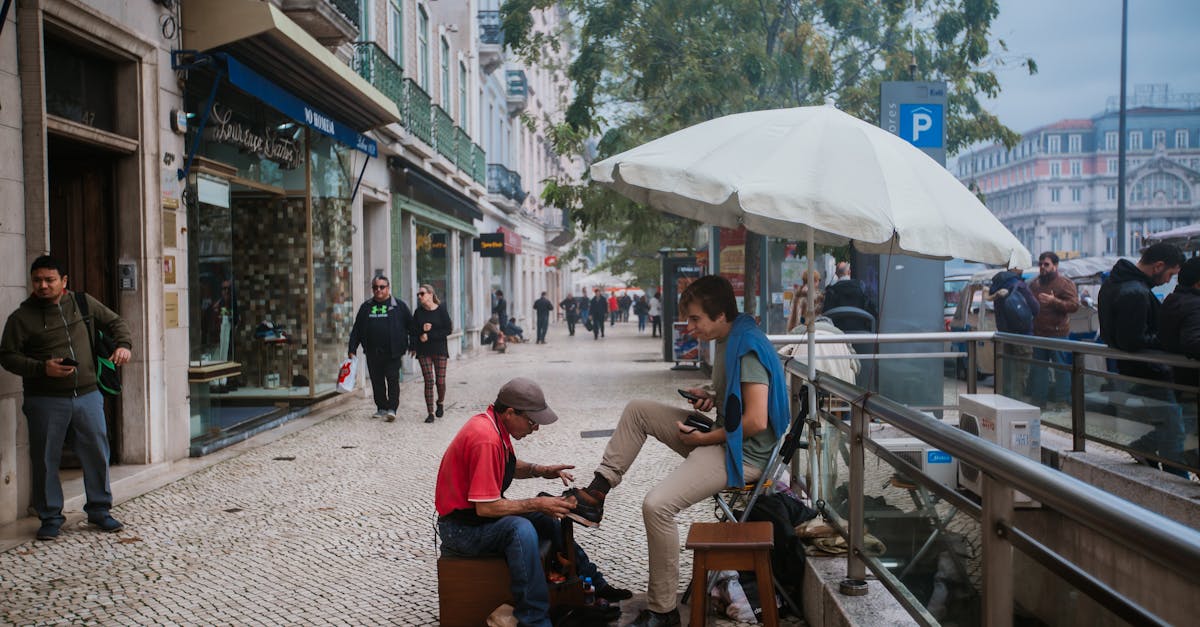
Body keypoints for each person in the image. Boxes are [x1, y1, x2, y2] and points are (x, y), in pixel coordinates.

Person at [563, 275, 789, 626]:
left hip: (741, 456)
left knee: (657, 506)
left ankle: (663, 610)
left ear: (720, 315)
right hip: (724, 437)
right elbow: (738, 401)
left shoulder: (746, 349)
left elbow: (757, 421)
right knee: (639, 409)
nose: (690, 326)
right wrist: (712, 396)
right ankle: (596, 493)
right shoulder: (731, 336)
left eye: (696, 318)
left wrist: (704, 440)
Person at [434, 378, 631, 627]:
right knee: (521, 529)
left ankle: (593, 583)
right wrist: (536, 504)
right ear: (509, 412)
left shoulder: (494, 426)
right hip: (461, 530)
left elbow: (509, 466)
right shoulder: (485, 438)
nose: (535, 428)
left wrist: (541, 470)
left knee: (543, 516)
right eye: (532, 421)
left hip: (475, 520)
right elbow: (486, 507)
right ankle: (534, 618)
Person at [0, 255, 133, 541]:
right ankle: (50, 517)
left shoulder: (82, 303)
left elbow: (117, 322)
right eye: (37, 280)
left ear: (64, 281)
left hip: (87, 395)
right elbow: (7, 357)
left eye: (50, 280)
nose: (43, 286)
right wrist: (41, 368)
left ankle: (100, 511)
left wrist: (123, 345)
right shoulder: (21, 318)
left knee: (97, 453)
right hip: (45, 399)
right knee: (46, 458)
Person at [1098, 243, 1186, 475]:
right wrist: (1166, 339)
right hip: (1147, 372)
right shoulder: (1135, 291)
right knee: (1173, 429)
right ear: (1158, 266)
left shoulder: (1114, 283)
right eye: (1170, 274)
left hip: (1133, 371)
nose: (1169, 281)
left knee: (1169, 426)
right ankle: (1177, 479)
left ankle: (1145, 451)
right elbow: (1133, 340)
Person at [348, 275, 413, 422]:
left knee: (392, 379)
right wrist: (352, 348)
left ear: (388, 288)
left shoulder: (399, 306)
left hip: (393, 351)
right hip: (372, 351)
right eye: (375, 287)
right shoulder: (366, 307)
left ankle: (392, 408)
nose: (378, 290)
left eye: (382, 287)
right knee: (377, 381)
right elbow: (357, 329)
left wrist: (412, 345)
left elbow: (411, 326)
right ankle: (381, 408)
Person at [1159, 256, 1200, 472]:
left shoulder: (1172, 299)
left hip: (1176, 378)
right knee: (1190, 432)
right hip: (1191, 381)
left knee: (1181, 429)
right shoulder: (1194, 305)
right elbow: (1193, 342)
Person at [1028, 252, 1080, 407]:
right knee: (1039, 370)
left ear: (1055, 266)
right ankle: (1039, 401)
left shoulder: (1064, 283)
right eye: (1041, 264)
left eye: (1046, 264)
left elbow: (1074, 306)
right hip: (1039, 334)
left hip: (1058, 334)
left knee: (1061, 370)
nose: (1043, 267)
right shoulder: (1035, 284)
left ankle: (1062, 401)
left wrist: (1054, 301)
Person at [412, 284, 453, 424]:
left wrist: (431, 334)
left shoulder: (441, 310)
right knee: (429, 380)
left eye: (422, 293)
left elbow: (448, 329)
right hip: (424, 351)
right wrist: (421, 332)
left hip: (440, 349)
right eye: (418, 294)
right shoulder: (418, 312)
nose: (419, 296)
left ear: (430, 294)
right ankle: (430, 413)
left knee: (440, 381)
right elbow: (413, 330)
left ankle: (440, 402)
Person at [821, 262, 875, 333]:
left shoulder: (831, 291)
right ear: (849, 272)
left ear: (836, 274)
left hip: (837, 334)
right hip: (860, 333)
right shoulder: (862, 289)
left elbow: (825, 314)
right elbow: (871, 309)